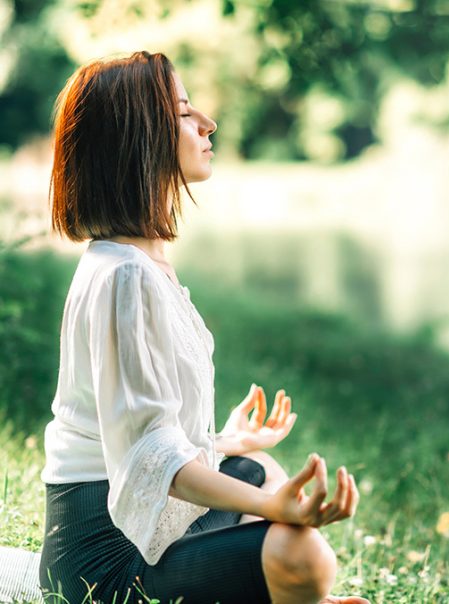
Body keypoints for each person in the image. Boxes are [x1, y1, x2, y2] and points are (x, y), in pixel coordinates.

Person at [39, 51, 369, 604]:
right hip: (105, 561)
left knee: (255, 467)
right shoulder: (123, 275)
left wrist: (222, 441)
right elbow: (146, 457)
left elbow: (134, 427)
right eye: (184, 112)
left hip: (144, 522)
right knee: (302, 552)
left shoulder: (141, 262)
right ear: (137, 139)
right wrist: (274, 509)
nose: (207, 124)